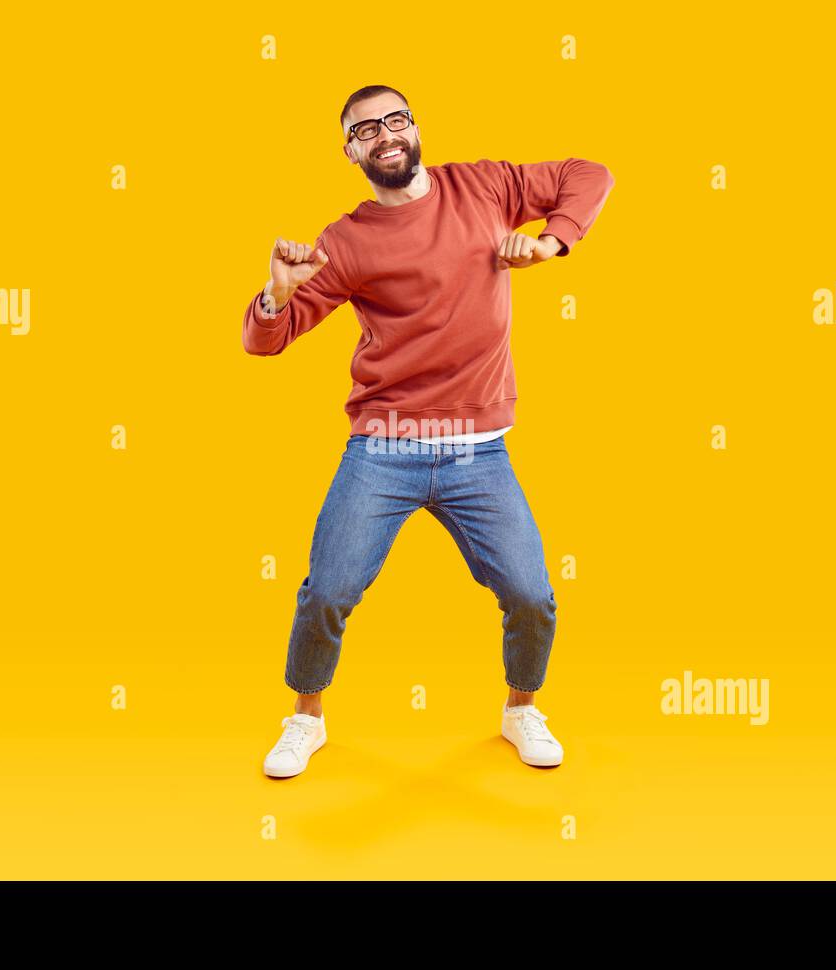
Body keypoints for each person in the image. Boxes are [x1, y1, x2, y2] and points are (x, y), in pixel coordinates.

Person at [243, 84, 614, 777]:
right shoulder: (344, 242)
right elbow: (266, 342)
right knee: (328, 590)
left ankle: (520, 709)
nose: (383, 135)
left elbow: (588, 175)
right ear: (350, 151)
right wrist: (278, 294)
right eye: (364, 130)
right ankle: (305, 719)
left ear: (413, 127)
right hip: (383, 449)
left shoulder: (484, 186)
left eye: (394, 120)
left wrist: (551, 244)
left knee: (531, 595)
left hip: (478, 452)